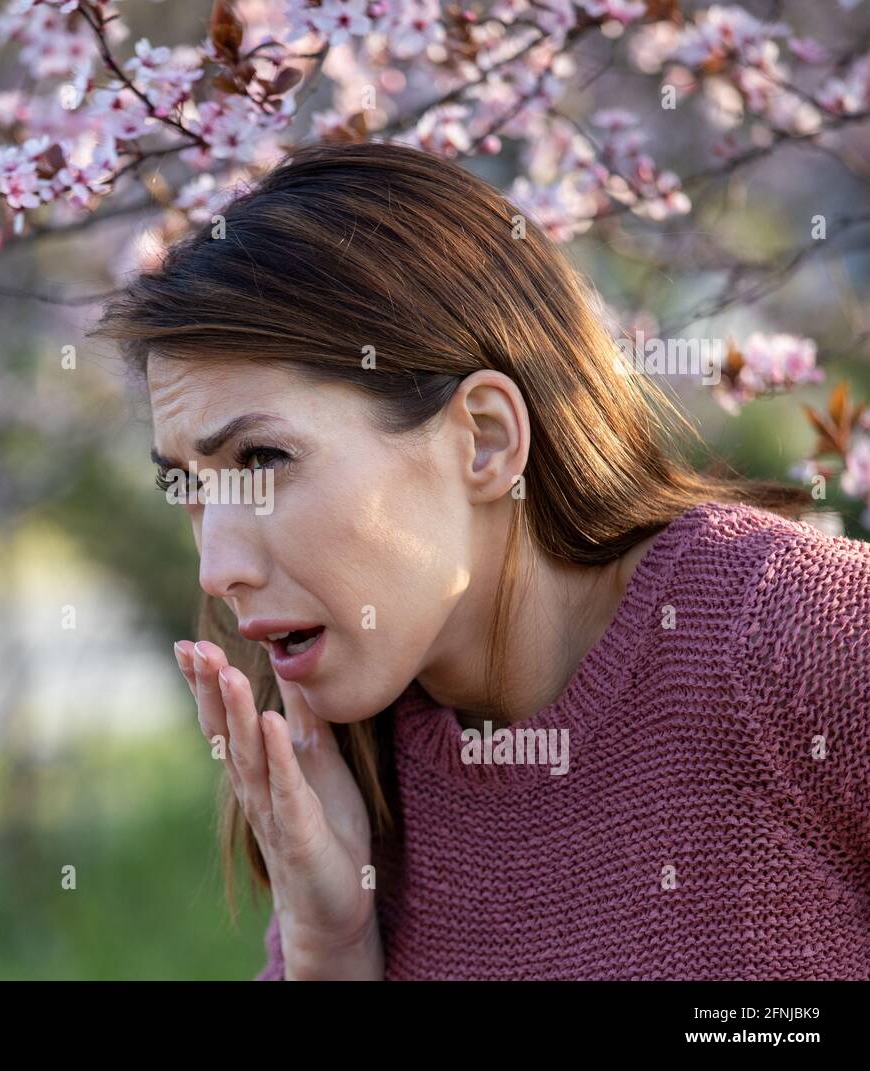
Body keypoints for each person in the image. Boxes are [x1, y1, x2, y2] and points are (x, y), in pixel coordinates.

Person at [90, 141, 870, 980]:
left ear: (485, 439)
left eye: (263, 460)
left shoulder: (799, 633)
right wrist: (332, 946)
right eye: (189, 488)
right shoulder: (347, 783)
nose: (217, 567)